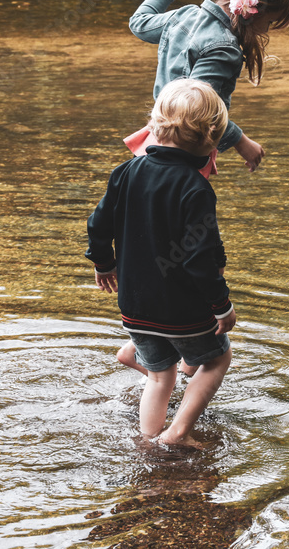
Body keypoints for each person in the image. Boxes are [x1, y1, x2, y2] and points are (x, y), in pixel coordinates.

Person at [86, 79, 237, 448]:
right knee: (217, 360)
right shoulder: (195, 189)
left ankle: (148, 439)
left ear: (153, 125)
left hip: (135, 306)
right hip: (181, 308)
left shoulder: (125, 172)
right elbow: (202, 257)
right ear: (211, 141)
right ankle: (177, 433)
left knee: (160, 377)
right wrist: (222, 306)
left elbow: (98, 223)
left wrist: (104, 264)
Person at [126, 0, 289, 175]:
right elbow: (197, 111)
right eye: (271, 22)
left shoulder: (184, 16)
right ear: (253, 11)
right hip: (181, 157)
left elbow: (139, 22)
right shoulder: (224, 49)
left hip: (155, 144)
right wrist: (242, 141)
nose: (267, 30)